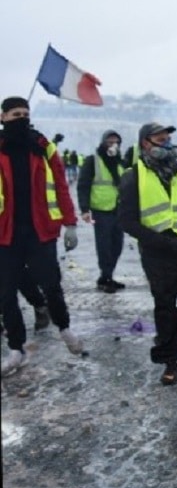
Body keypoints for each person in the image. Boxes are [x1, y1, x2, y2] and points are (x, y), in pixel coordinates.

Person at [118, 122, 177, 385]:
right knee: (165, 307)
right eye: (162, 139)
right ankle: (170, 361)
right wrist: (160, 241)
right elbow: (127, 221)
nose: (168, 143)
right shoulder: (133, 176)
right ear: (146, 143)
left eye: (169, 138)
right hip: (157, 253)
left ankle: (167, 338)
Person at [0, 96, 84, 375]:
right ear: (2, 118)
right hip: (5, 233)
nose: (21, 118)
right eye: (15, 114)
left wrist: (70, 223)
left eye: (25, 113)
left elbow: (61, 186)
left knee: (51, 285)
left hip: (40, 230)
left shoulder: (43, 147)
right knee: (6, 294)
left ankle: (65, 328)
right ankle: (16, 349)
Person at [78, 129, 127, 293]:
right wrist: (84, 209)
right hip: (101, 210)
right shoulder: (93, 161)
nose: (113, 145)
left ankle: (108, 275)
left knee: (117, 245)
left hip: (118, 210)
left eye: (116, 142)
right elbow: (83, 185)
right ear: (103, 142)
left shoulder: (121, 162)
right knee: (104, 245)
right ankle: (105, 277)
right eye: (110, 141)